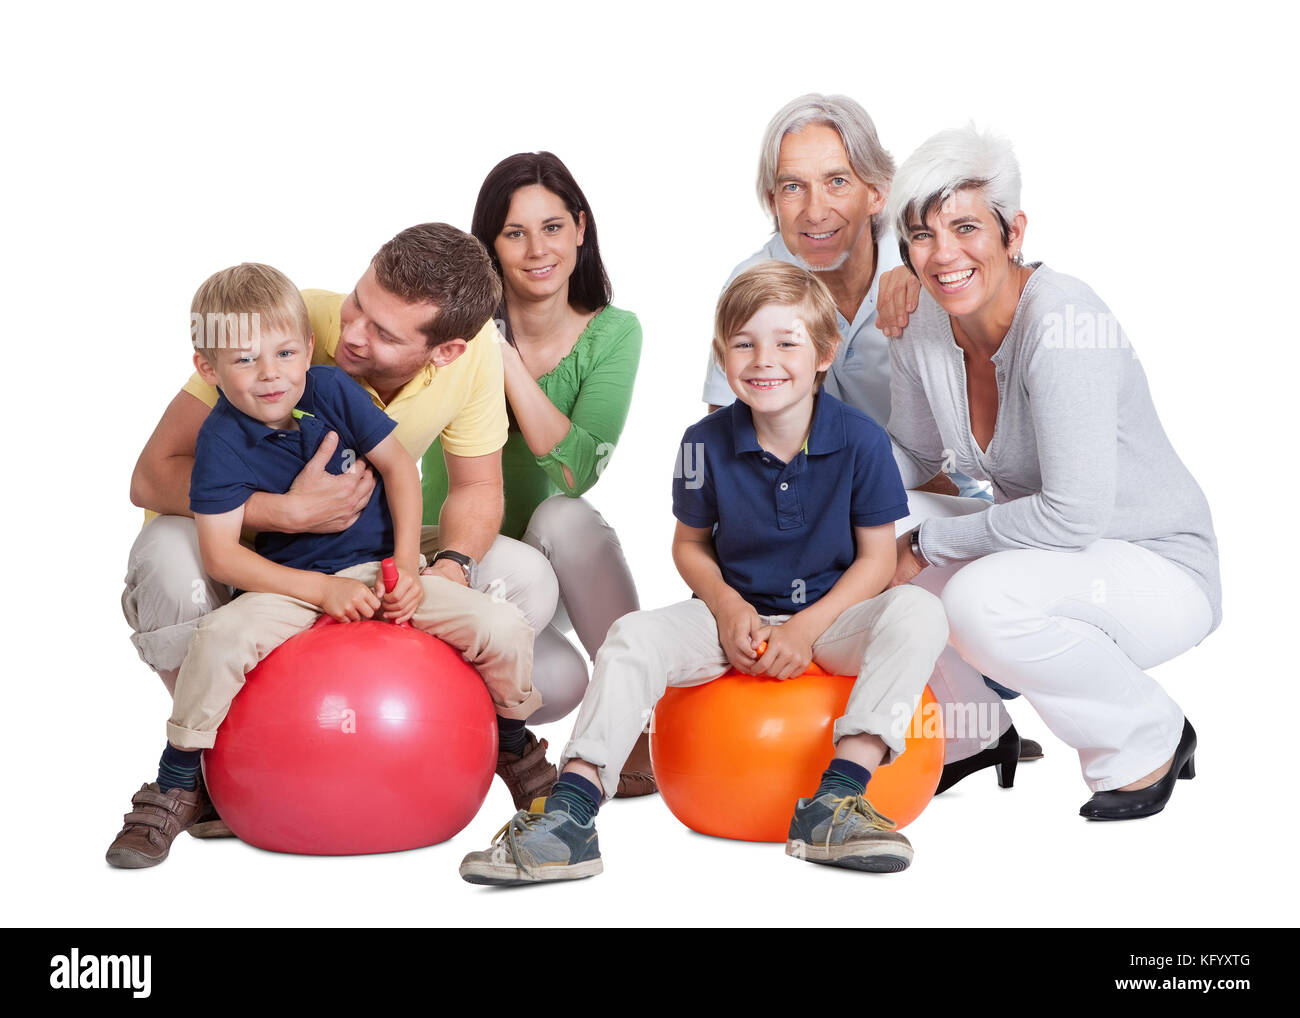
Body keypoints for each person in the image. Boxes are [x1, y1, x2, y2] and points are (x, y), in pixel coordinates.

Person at [457, 262, 949, 885]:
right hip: (728, 620)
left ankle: (837, 801)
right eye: (744, 343)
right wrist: (726, 605)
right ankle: (571, 815)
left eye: (786, 342)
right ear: (724, 354)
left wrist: (805, 629)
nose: (763, 359)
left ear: (825, 354)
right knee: (632, 636)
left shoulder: (862, 441)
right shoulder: (702, 442)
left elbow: (879, 559)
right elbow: (690, 546)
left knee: (921, 611)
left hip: (833, 620)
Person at [122, 223, 562, 823]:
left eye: (381, 332)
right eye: (359, 303)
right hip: (259, 561)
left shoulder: (441, 359)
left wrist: (428, 569)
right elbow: (150, 478)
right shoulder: (270, 325)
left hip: (371, 554)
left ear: (445, 349)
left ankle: (500, 742)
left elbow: (470, 485)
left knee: (523, 584)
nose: (350, 335)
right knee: (206, 619)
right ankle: (200, 772)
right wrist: (286, 512)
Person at [882, 126, 1220, 819]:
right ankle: (972, 733)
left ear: (1014, 232)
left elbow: (1073, 514)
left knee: (978, 602)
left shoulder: (1062, 321)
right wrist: (813, 481)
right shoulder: (922, 321)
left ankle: (1147, 736)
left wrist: (921, 547)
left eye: (967, 226)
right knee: (856, 533)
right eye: (922, 235)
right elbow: (912, 458)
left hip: (1153, 563)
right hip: (1045, 549)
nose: (944, 254)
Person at [699, 92, 1043, 772]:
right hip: (856, 500)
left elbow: (1017, 337)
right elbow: (727, 438)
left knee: (881, 537)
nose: (815, 209)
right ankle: (973, 731)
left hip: (967, 498)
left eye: (836, 181)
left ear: (876, 192)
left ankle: (981, 693)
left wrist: (929, 288)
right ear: (771, 200)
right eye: (791, 187)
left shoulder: (935, 251)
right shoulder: (759, 281)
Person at [421, 152, 649, 794]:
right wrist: (483, 337)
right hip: (461, 560)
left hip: (550, 564)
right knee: (557, 680)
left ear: (581, 227)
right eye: (513, 233)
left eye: (552, 227)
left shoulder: (614, 332)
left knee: (565, 516)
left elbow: (579, 469)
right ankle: (472, 745)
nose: (536, 250)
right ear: (490, 245)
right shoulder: (454, 332)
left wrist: (507, 360)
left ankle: (634, 732)